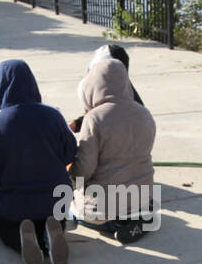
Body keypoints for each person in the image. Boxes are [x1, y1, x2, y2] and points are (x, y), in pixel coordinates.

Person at [0, 59, 75, 264]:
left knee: (2, 226)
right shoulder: (54, 115)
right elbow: (70, 152)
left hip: (15, 203)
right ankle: (52, 232)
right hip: (56, 199)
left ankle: (21, 241)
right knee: (54, 217)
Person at [67, 57, 157, 244]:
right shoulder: (144, 113)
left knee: (68, 208)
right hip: (142, 198)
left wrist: (70, 172)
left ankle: (115, 224)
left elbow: (84, 170)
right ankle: (141, 219)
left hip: (104, 208)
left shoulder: (94, 119)